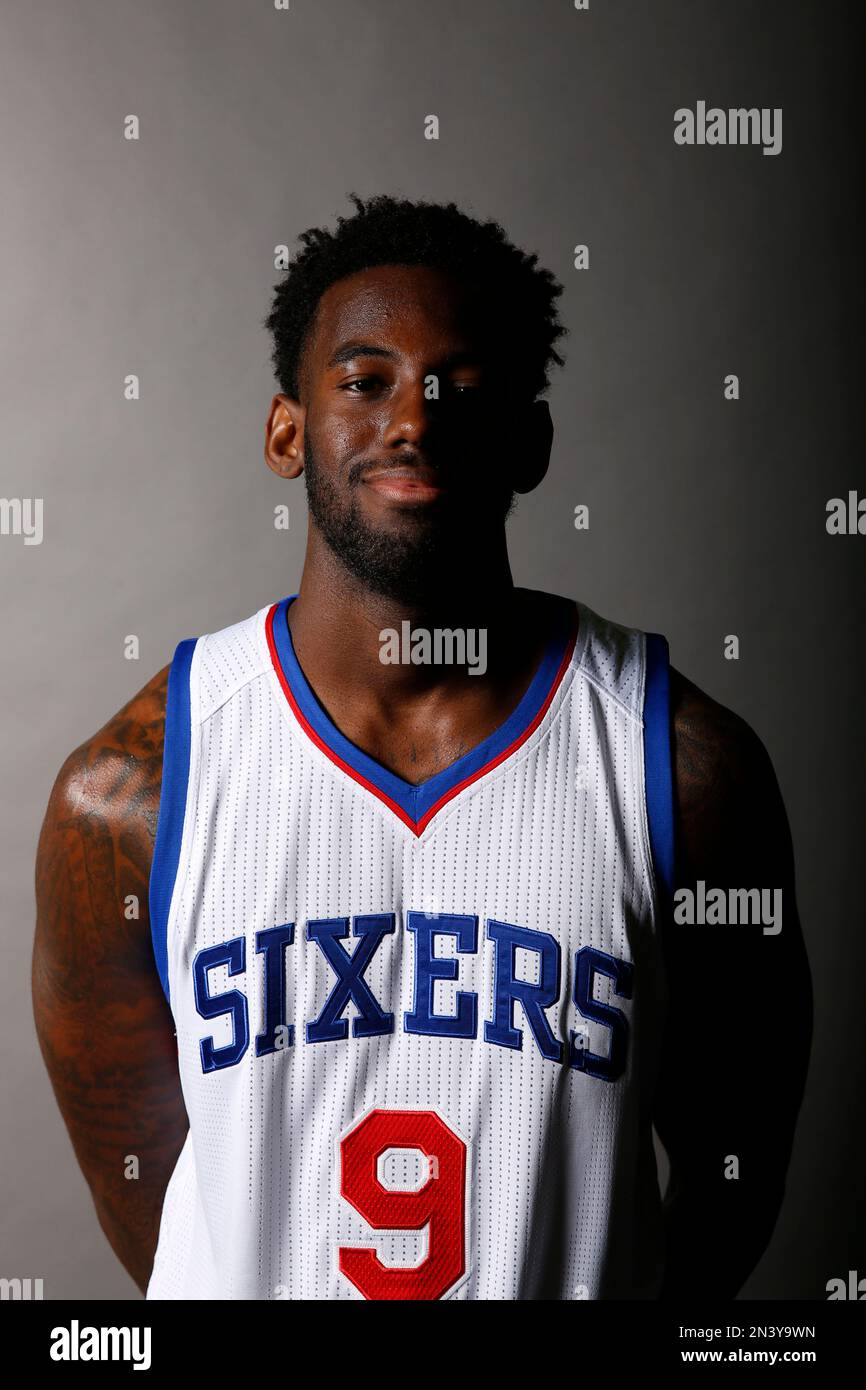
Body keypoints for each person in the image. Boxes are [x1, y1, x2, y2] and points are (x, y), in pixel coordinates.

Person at [32, 193, 812, 1300]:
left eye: (462, 386)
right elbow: (151, 1198)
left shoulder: (684, 774)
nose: (414, 418)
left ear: (529, 444)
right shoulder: (129, 800)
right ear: (286, 430)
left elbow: (735, 1181)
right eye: (364, 380)